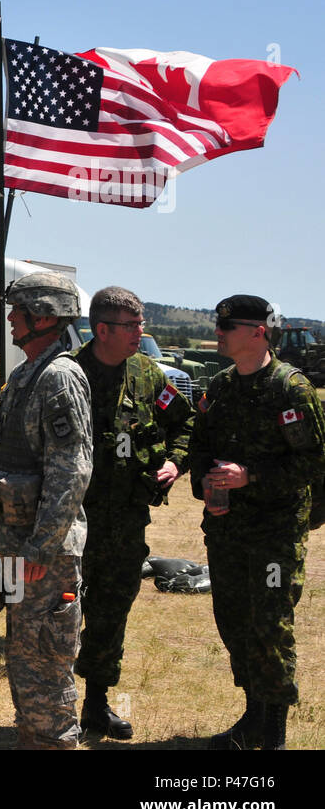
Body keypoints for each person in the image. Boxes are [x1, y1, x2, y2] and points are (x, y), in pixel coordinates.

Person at [0, 272, 92, 750]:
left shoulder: (60, 378)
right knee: (26, 659)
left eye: (19, 309)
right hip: (19, 548)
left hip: (40, 556)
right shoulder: (26, 375)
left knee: (46, 662)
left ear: (44, 317)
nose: (10, 317)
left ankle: (53, 742)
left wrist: (41, 549)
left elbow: (71, 471)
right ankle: (36, 738)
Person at [189, 295, 325, 750]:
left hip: (275, 536)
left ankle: (274, 735)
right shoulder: (221, 386)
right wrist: (207, 487)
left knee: (270, 627)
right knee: (235, 624)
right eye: (218, 326)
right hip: (227, 532)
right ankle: (252, 719)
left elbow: (314, 462)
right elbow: (199, 446)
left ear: (258, 332)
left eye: (228, 327)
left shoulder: (291, 389)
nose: (218, 334)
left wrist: (251, 476)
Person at [71, 287, 192, 739]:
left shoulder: (147, 375)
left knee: (112, 610)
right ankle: (54, 706)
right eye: (132, 326)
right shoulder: (69, 374)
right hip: (72, 521)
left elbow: (185, 421)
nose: (140, 334)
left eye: (141, 325)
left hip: (125, 522)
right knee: (62, 613)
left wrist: (176, 461)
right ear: (102, 330)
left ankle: (97, 705)